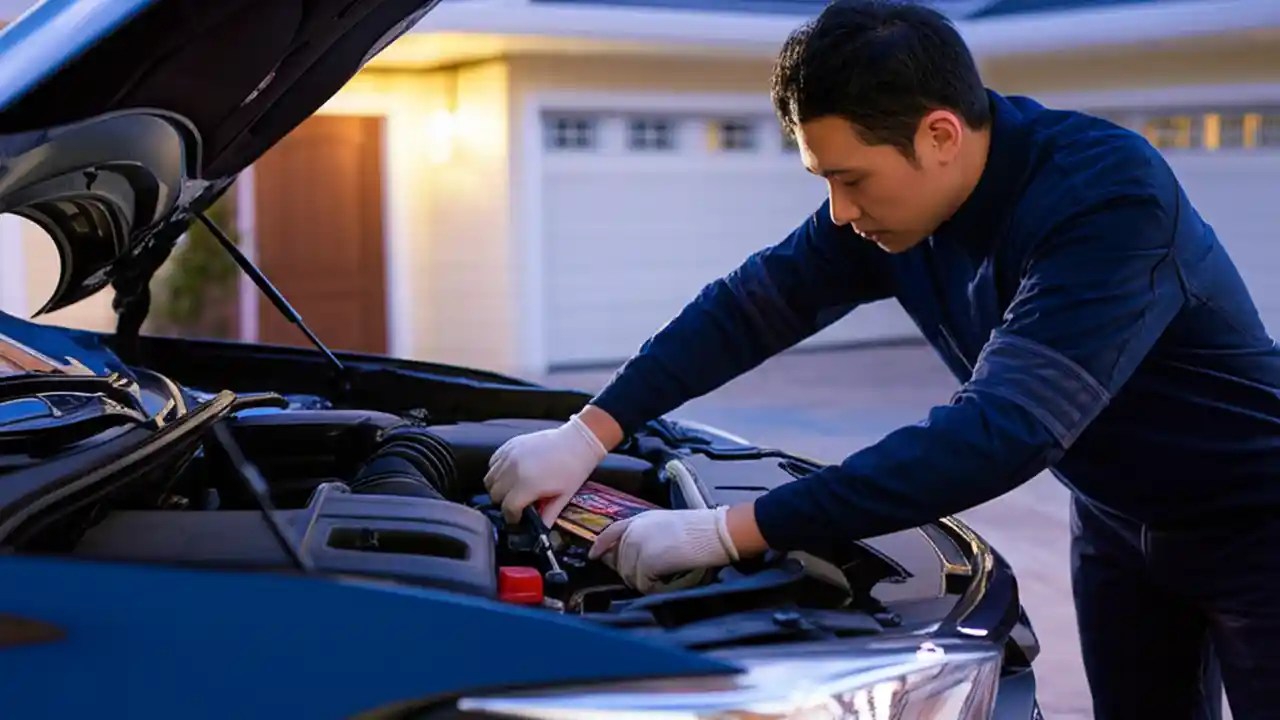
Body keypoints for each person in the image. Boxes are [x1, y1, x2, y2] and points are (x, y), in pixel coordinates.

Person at [483, 1, 1280, 716]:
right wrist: (590, 432)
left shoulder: (1107, 198)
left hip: (1255, 519)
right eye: (824, 180)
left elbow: (1002, 429)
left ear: (940, 134)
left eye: (851, 178)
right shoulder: (892, 213)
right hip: (1113, 521)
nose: (839, 210)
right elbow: (749, 307)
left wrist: (731, 531)